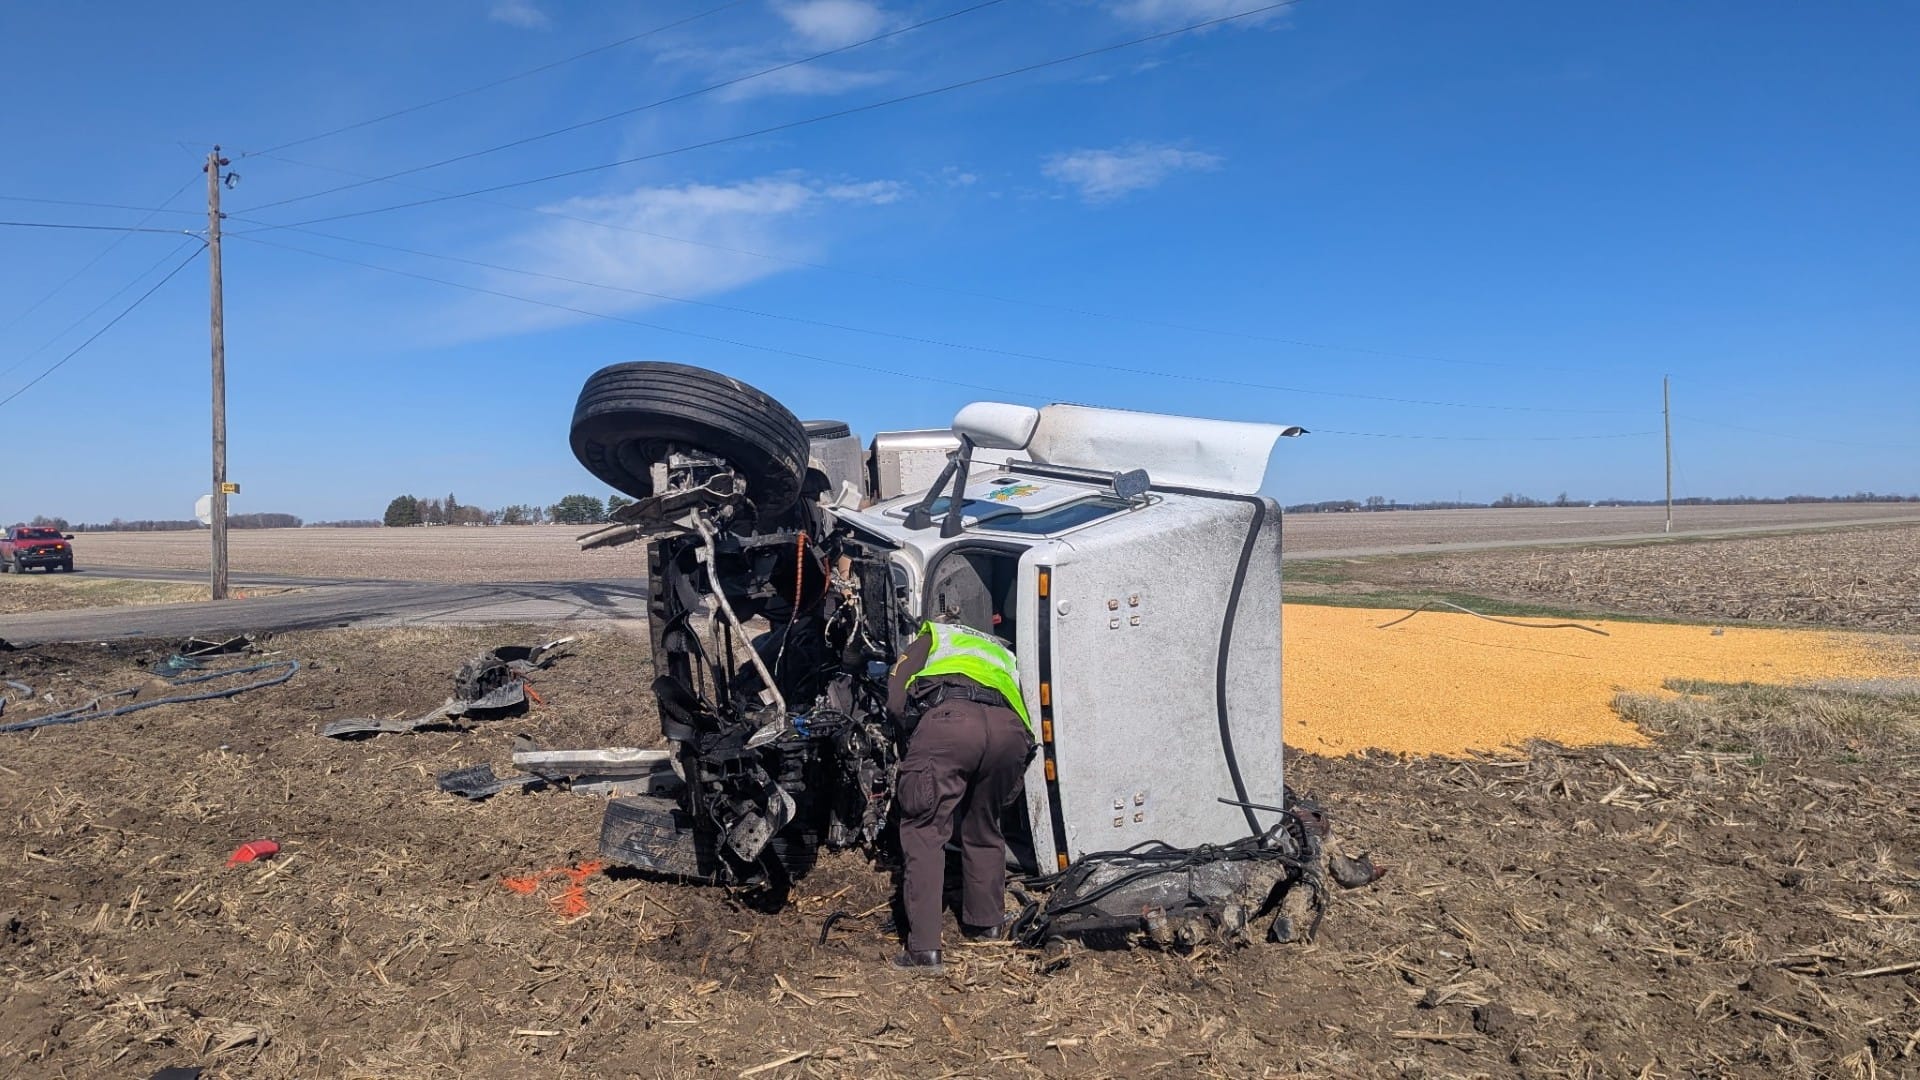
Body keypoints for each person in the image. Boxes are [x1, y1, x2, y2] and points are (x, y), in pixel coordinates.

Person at [886, 613, 1034, 972]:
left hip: (951, 721)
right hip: (1010, 731)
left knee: (925, 831)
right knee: (984, 825)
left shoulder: (931, 635)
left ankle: (924, 951)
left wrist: (910, 741)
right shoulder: (1000, 649)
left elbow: (895, 695)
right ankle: (987, 924)